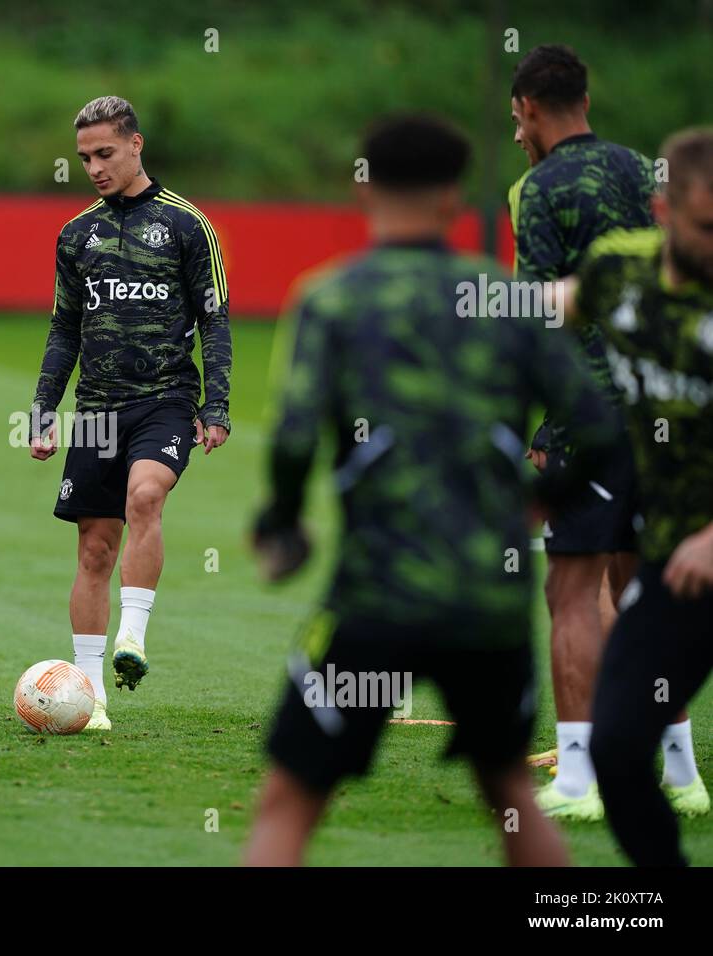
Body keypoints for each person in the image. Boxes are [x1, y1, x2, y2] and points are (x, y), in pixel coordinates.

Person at [246, 115, 618, 866]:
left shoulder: (332, 297)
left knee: (290, 798)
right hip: (490, 599)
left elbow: (293, 436)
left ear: (365, 190)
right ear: (454, 197)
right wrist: (538, 494)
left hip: (376, 596)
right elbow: (598, 425)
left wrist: (282, 523)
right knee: (509, 792)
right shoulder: (507, 298)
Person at [506, 44, 699, 820]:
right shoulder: (642, 170)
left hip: (585, 417)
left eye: (516, 119)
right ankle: (682, 775)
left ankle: (579, 780)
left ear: (528, 109)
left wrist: (532, 425)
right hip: (661, 408)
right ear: (585, 99)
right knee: (643, 591)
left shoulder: (540, 187)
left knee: (572, 592)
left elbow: (538, 318)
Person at [29, 95, 232, 730]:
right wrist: (43, 407)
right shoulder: (75, 234)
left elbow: (215, 320)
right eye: (84, 157)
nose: (94, 167)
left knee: (146, 495)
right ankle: (90, 696)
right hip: (96, 408)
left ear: (136, 144)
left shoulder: (187, 225)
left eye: (105, 153)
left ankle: (133, 637)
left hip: (165, 401)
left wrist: (216, 405)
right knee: (95, 550)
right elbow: (64, 328)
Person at [577, 127, 713, 863]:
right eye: (706, 226)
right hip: (675, 566)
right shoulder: (619, 271)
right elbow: (560, 308)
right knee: (618, 749)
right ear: (664, 211)